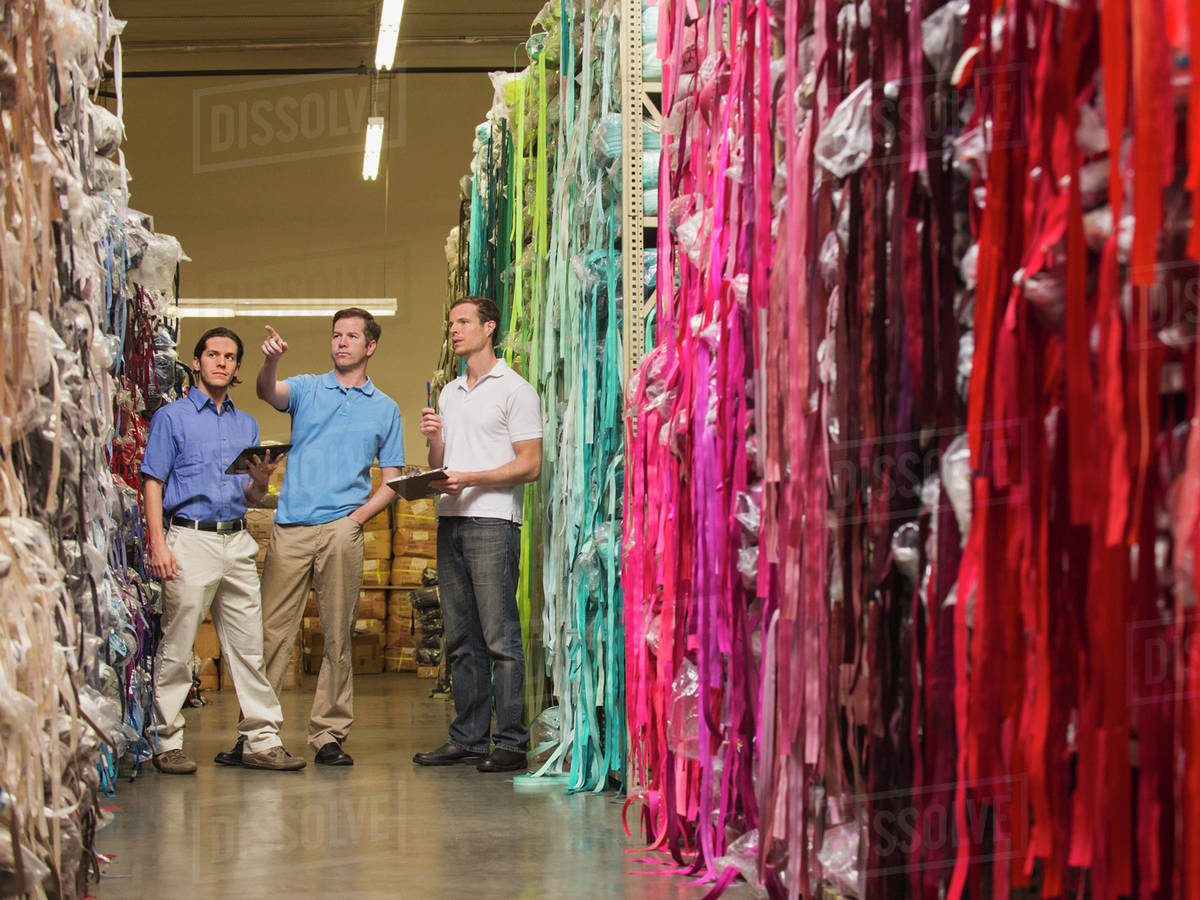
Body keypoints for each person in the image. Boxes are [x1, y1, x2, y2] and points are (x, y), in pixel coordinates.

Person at [216, 308, 404, 768]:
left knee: (338, 634)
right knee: (271, 633)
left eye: (352, 336)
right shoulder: (305, 388)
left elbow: (393, 481)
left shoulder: (385, 408)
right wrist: (270, 362)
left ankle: (328, 734)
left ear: (370, 346)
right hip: (291, 528)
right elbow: (267, 391)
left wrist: (355, 520)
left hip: (343, 529)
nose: (342, 343)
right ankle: (255, 734)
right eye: (337, 335)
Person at [141, 326, 305, 773]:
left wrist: (262, 478)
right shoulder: (171, 418)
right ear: (196, 362)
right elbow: (152, 482)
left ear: (236, 367)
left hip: (236, 540)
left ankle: (260, 741)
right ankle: (166, 741)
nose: (221, 362)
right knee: (177, 645)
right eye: (212, 354)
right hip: (188, 539)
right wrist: (158, 542)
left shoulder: (246, 424)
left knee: (249, 646)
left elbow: (252, 497)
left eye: (230, 357)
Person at [412, 296, 543, 774]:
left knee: (500, 638)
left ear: (490, 327)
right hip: (450, 519)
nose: (455, 330)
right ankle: (468, 737)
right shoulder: (448, 392)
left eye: (464, 322)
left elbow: (530, 465)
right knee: (460, 638)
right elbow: (439, 465)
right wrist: (434, 438)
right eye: (451, 323)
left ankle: (510, 742)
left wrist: (468, 478)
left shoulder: (515, 389)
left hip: (492, 522)